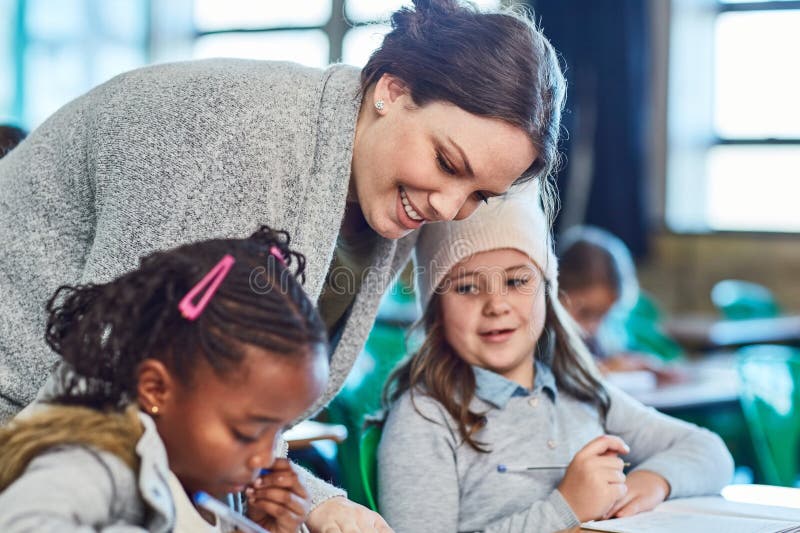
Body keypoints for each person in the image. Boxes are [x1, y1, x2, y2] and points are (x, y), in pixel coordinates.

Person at [0, 0, 566, 527]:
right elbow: (112, 382)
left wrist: (314, 501)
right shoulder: (228, 133)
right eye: (446, 161)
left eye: (479, 195)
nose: (447, 206)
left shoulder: (387, 186)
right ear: (392, 90)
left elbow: (224, 395)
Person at [378, 189, 733, 532]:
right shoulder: (423, 418)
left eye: (517, 281)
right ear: (436, 309)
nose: (496, 305)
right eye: (467, 287)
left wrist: (650, 483)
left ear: (549, 295)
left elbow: (709, 451)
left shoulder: (580, 392)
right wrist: (566, 507)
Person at [0, 226, 328, 532]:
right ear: (156, 389)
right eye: (246, 433)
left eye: (278, 431)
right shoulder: (91, 464)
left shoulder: (210, 482)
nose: (266, 457)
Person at [557, 225, 682, 380]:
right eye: (586, 313)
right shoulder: (540, 341)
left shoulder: (598, 340)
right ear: (556, 294)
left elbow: (617, 357)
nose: (593, 327)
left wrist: (642, 365)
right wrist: (605, 369)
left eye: (604, 316)